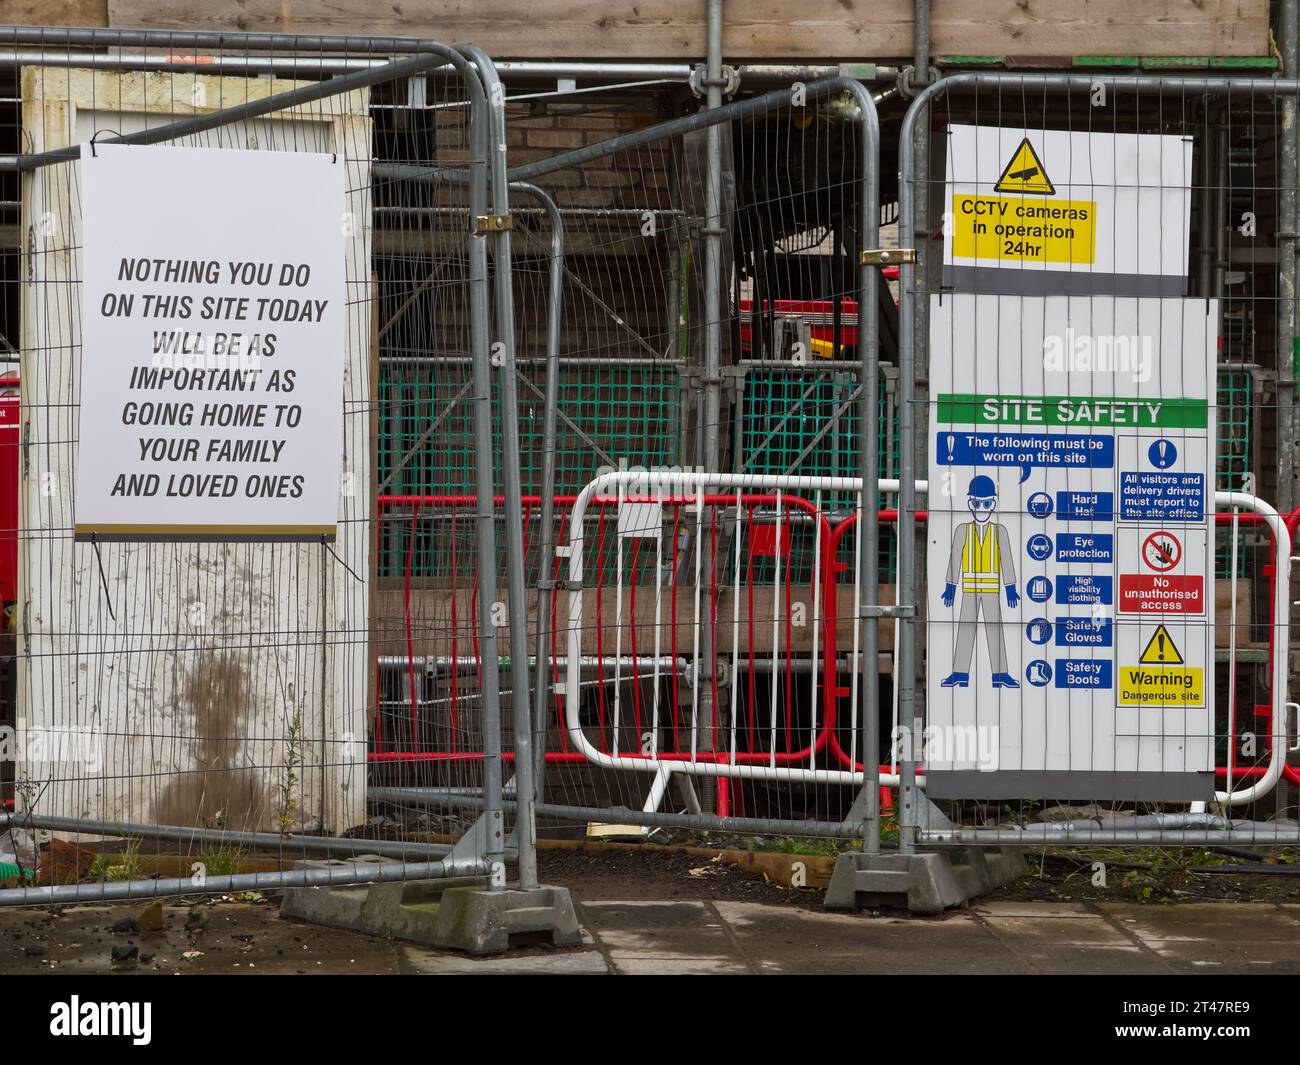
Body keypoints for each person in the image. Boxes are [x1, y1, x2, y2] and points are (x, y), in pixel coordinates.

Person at [939, 474, 1020, 688]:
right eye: (977, 502)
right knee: (965, 629)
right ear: (970, 503)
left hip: (992, 590)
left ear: (994, 504)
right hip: (970, 590)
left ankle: (1001, 674)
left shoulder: (999, 530)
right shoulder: (962, 530)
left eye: (987, 503)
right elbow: (955, 558)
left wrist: (1011, 587)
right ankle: (959, 673)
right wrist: (950, 588)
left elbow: (1007, 560)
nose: (982, 507)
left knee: (996, 629)